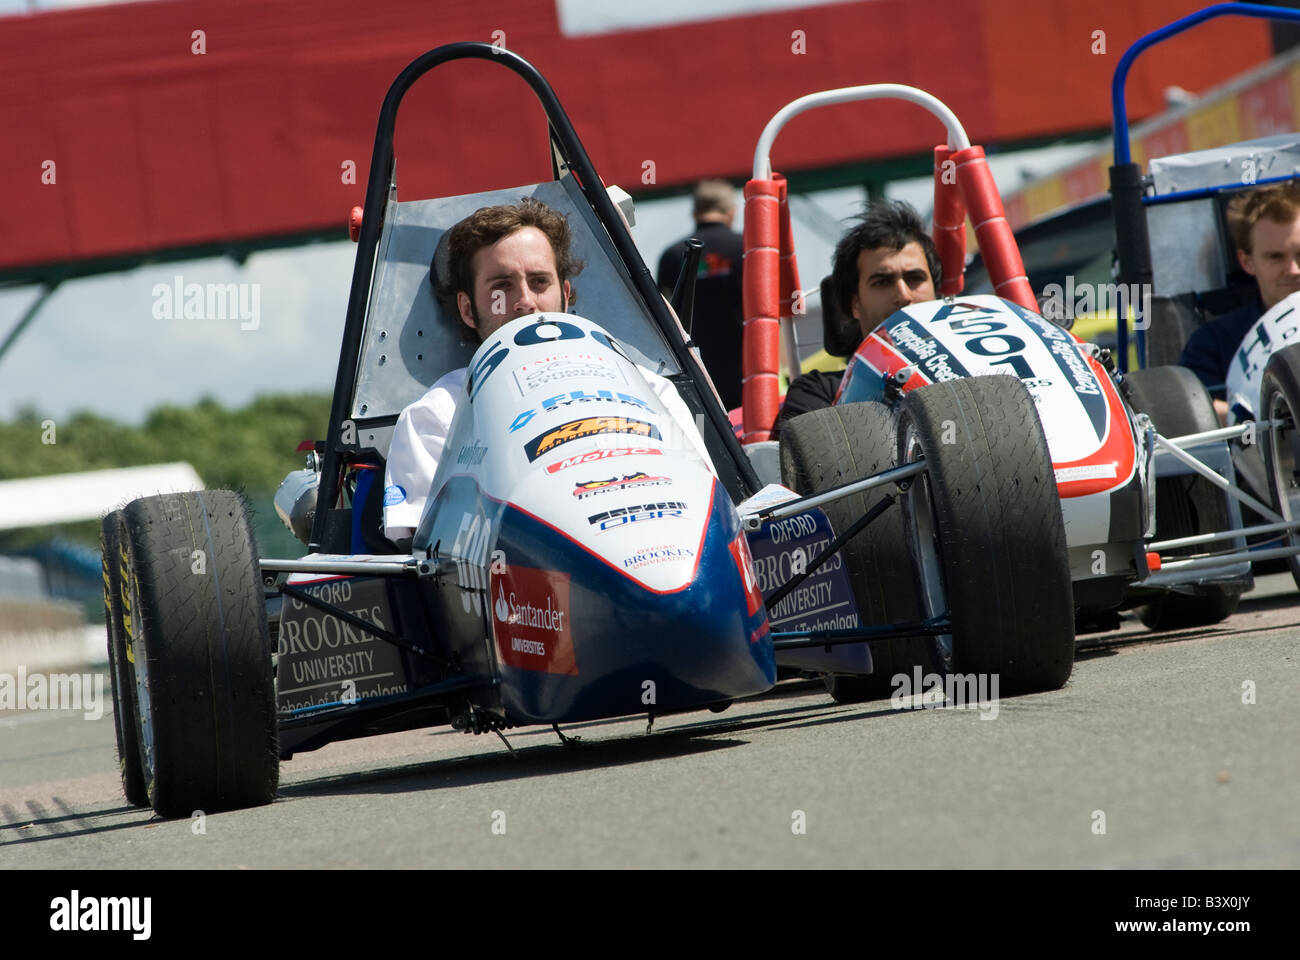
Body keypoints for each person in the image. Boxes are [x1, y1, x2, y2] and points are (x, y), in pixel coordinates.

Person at [383, 197, 710, 543]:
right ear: (467, 309)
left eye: (539, 282)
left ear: (564, 296)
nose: (525, 301)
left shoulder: (651, 390)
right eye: (501, 286)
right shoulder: (437, 417)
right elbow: (427, 554)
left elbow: (706, 509)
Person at [771, 199, 941, 439]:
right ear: (855, 305)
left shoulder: (983, 368)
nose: (903, 295)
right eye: (882, 282)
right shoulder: (817, 393)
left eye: (915, 279)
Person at [1179, 181, 1300, 422]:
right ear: (1247, 262)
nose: (1294, 270)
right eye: (1275, 257)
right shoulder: (1212, 343)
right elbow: (1190, 410)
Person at [657, 180, 745, 409]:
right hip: (747, 373)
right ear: (732, 212)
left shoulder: (671, 256)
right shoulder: (748, 248)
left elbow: (662, 317)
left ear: (695, 213)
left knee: (703, 427)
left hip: (694, 374)